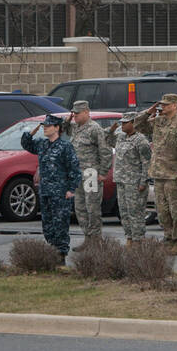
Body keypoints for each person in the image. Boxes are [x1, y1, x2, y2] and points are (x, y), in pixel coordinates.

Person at [134, 93, 177, 255]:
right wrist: (148, 112)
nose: (163, 107)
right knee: (162, 211)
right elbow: (137, 126)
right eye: (162, 105)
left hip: (174, 175)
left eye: (166, 105)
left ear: (174, 105)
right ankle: (168, 238)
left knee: (176, 211)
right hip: (159, 173)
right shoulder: (158, 121)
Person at [21, 115, 82, 265]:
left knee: (60, 224)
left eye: (48, 126)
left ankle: (60, 255)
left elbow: (74, 169)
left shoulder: (65, 146)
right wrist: (33, 130)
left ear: (57, 128)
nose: (45, 128)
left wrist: (71, 189)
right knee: (47, 225)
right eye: (44, 126)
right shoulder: (42, 144)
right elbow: (26, 143)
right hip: (46, 191)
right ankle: (51, 251)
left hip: (61, 193)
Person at [61, 100, 113, 252]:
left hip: (91, 174)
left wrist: (103, 173)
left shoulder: (94, 129)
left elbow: (105, 151)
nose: (75, 116)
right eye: (73, 113)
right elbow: (62, 129)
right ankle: (88, 238)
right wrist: (68, 119)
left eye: (77, 113)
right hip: (77, 174)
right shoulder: (76, 127)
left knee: (92, 209)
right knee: (80, 208)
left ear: (86, 112)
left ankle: (96, 241)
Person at [108, 112, 152, 247]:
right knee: (124, 212)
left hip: (134, 182)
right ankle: (130, 237)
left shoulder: (141, 140)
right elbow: (108, 141)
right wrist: (110, 132)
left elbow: (147, 162)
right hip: (121, 180)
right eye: (122, 122)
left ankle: (138, 239)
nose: (122, 125)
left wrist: (143, 181)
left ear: (134, 123)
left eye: (125, 122)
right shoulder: (121, 137)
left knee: (136, 212)